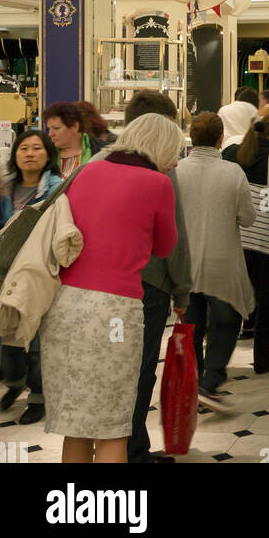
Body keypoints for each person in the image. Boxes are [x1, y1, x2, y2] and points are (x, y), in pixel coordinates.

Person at [39, 115, 180, 464]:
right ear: (161, 148)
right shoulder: (157, 183)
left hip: (64, 305)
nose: (176, 161)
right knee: (112, 426)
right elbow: (164, 247)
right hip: (114, 313)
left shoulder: (87, 171)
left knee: (77, 425)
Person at [119, 90, 192, 467]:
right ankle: (134, 451)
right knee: (142, 368)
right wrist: (183, 289)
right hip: (149, 285)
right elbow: (173, 237)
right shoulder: (161, 171)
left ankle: (122, 445)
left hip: (106, 285)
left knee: (118, 369)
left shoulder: (101, 163)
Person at [176, 112, 256, 410]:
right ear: (221, 138)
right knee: (226, 321)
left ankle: (194, 383)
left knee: (192, 325)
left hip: (187, 263)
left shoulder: (177, 171)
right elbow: (248, 219)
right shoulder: (233, 172)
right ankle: (210, 380)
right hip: (223, 263)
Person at [0, 129, 63, 425]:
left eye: (37, 148)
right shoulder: (4, 188)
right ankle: (14, 381)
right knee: (7, 330)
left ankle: (38, 396)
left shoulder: (57, 188)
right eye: (23, 148)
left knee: (35, 337)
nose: (29, 154)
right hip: (5, 269)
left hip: (38, 269)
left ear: (48, 154)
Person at [223, 110, 269, 376]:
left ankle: (217, 363)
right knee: (268, 304)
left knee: (236, 302)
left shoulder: (235, 154)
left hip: (241, 238)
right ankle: (264, 359)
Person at [43, 102, 104, 180]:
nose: (50, 134)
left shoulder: (102, 152)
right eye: (49, 129)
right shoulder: (46, 154)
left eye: (56, 128)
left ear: (75, 126)